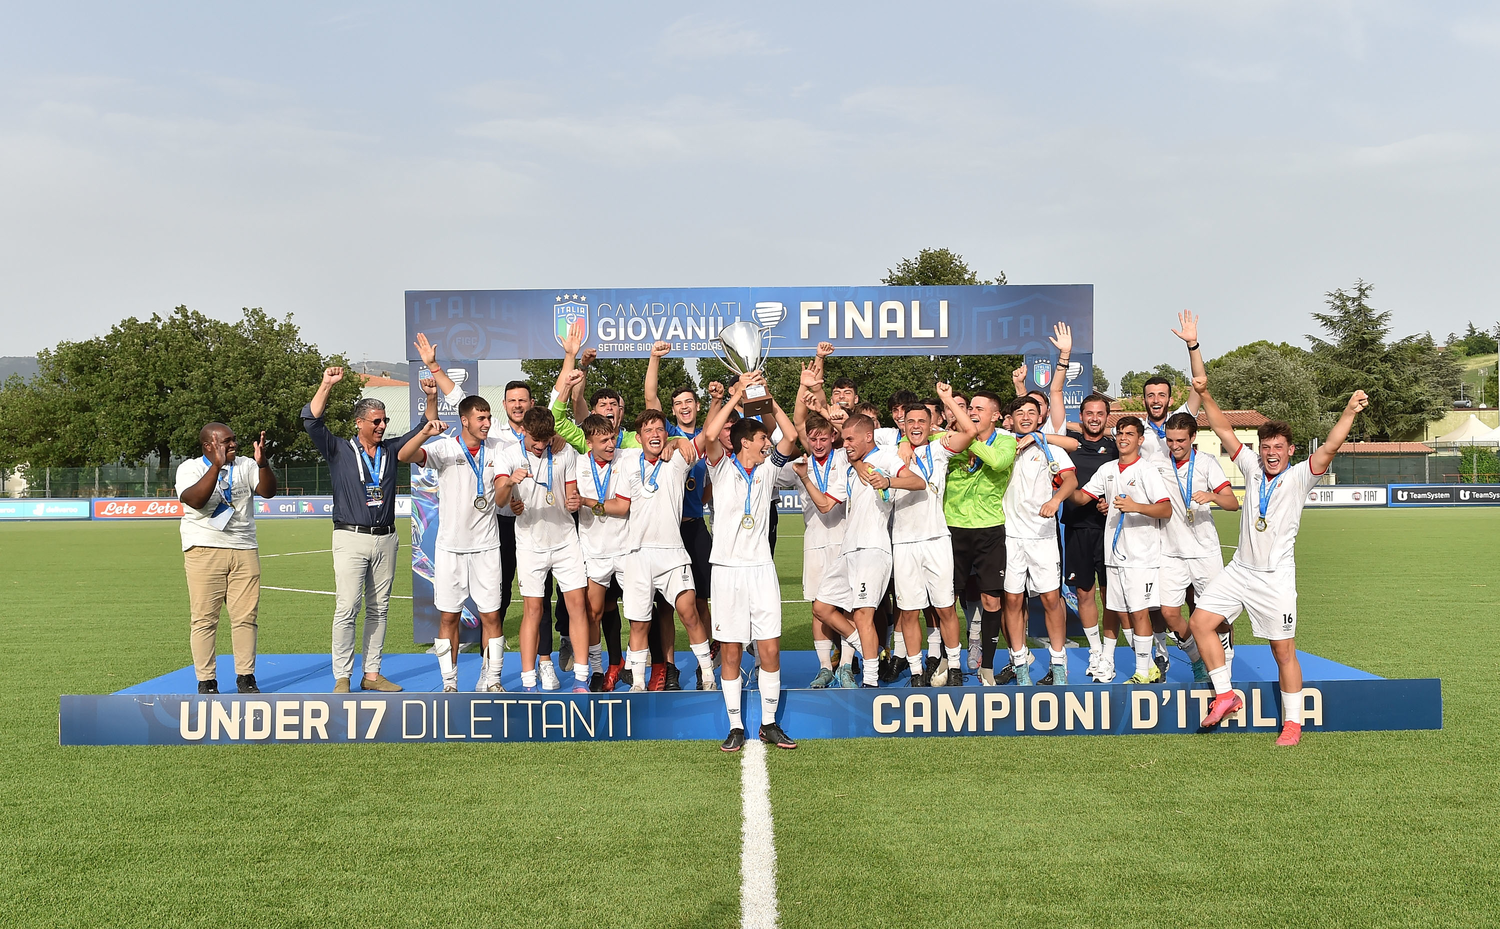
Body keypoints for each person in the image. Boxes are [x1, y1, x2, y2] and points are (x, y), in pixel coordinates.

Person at [1190, 376, 1369, 746]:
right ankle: (1225, 695)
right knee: (1200, 622)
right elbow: (1223, 429)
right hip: (1239, 570)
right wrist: (1205, 394)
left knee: (1282, 651)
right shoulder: (1253, 469)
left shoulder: (1302, 476)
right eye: (1266, 447)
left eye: (1279, 447)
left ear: (1290, 450)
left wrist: (1349, 412)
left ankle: (1292, 723)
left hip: (1275, 579)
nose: (1271, 453)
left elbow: (1332, 446)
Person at [302, 364, 438, 694]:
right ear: (359, 423)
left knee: (379, 609)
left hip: (387, 538)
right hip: (350, 537)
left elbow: (425, 426)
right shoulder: (337, 449)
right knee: (348, 606)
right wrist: (326, 384)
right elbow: (310, 420)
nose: (382, 426)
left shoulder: (392, 450)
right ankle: (342, 676)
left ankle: (372, 674)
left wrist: (431, 396)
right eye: (376, 421)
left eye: (385, 421)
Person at [695, 372, 796, 752]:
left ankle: (769, 723)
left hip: (760, 570)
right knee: (732, 647)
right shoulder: (720, 467)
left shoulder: (769, 467)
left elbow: (790, 437)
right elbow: (708, 436)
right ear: (743, 444)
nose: (766, 443)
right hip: (727, 570)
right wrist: (735, 396)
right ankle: (736, 725)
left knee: (769, 646)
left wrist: (766, 400)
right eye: (759, 439)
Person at [396, 396, 515, 692]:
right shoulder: (445, 447)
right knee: (448, 616)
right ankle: (449, 684)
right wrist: (425, 432)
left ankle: (492, 680)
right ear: (465, 420)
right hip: (450, 549)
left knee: (491, 615)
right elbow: (404, 456)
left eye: (488, 418)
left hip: (487, 546)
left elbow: (502, 492)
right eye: (481, 419)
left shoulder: (498, 449)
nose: (487, 424)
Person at [810, 412, 923, 688]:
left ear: (868, 436)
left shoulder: (885, 456)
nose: (845, 443)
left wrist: (888, 481)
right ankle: (866, 646)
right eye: (843, 438)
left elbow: (917, 482)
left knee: (863, 614)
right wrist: (804, 477)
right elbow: (826, 505)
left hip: (873, 548)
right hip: (849, 550)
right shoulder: (852, 468)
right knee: (822, 607)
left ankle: (870, 681)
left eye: (850, 438)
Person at [616, 409, 718, 690]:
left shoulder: (677, 460)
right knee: (639, 623)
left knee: (689, 613)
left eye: (659, 429)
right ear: (638, 438)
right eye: (648, 430)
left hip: (673, 553)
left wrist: (721, 400)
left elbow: (708, 435)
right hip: (637, 555)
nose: (654, 435)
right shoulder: (627, 463)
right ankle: (637, 682)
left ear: (666, 434)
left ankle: (708, 675)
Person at [176, 422, 278, 694]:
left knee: (246, 617)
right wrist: (216, 467)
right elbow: (195, 500)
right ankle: (207, 680)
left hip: (244, 549)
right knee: (204, 619)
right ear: (208, 445)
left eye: (234, 440)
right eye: (226, 441)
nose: (234, 444)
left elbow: (268, 491)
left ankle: (246, 677)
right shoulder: (190, 468)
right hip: (204, 548)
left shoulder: (245, 465)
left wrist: (263, 463)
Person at [1071, 417, 1172, 684]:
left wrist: (1136, 506)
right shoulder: (1107, 470)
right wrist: (1064, 484)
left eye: (1129, 433)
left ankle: (1143, 670)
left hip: (1141, 556)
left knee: (1139, 611)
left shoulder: (1147, 471)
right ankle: (1140, 665)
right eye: (1119, 433)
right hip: (1114, 555)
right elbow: (1083, 497)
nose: (1123, 438)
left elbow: (1165, 509)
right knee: (1117, 610)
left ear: (1140, 439)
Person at [890, 382, 976, 687]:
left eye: (921, 422)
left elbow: (970, 433)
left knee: (945, 607)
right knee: (909, 611)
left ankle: (953, 667)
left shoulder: (938, 449)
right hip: (903, 542)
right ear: (902, 424)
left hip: (937, 539)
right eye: (910, 422)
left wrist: (947, 399)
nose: (915, 427)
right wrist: (902, 442)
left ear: (931, 425)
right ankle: (915, 671)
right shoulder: (892, 453)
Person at [502, 407, 590, 693]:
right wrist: (510, 485)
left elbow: (571, 491)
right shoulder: (509, 454)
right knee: (533, 610)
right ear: (524, 431)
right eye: (535, 442)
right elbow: (499, 499)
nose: (540, 447)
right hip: (529, 542)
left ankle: (581, 678)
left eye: (545, 440)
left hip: (565, 539)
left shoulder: (565, 453)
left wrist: (574, 501)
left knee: (577, 606)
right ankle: (529, 681)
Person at [1001, 396, 1078, 685]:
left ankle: (1058, 664)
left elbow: (1070, 480)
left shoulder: (1049, 447)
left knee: (1050, 599)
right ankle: (1020, 664)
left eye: (1031, 412)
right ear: (1011, 418)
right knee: (1012, 599)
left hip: (1042, 536)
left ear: (1039, 417)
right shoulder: (1003, 443)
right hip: (1010, 537)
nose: (1024, 416)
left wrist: (1056, 499)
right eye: (1019, 412)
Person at [943, 390, 1019, 685]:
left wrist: (969, 436)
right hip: (953, 529)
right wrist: (904, 447)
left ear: (995, 415)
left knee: (991, 600)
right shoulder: (949, 438)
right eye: (969, 407)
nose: (972, 411)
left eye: (978, 408)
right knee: (945, 600)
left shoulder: (1006, 441)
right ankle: (947, 663)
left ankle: (986, 664)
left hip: (989, 530)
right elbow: (921, 441)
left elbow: (999, 464)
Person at [1158, 411, 1239, 682]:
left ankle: (1225, 659)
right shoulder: (1158, 463)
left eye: (1180, 440)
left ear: (1193, 438)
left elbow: (1232, 503)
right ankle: (1197, 660)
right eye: (1170, 440)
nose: (1174, 446)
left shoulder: (1207, 463)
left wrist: (1212, 495)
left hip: (1205, 552)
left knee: (1217, 615)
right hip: (1171, 551)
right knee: (1169, 613)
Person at [1058, 393, 1124, 680]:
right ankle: (1095, 651)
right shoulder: (1070, 447)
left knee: (1111, 597)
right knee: (1084, 593)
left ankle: (1109, 654)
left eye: (1100, 414)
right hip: (1077, 529)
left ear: (1106, 417)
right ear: (1081, 417)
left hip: (1111, 532)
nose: (1094, 418)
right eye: (1089, 413)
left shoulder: (1115, 448)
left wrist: (1116, 500)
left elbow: (1129, 481)